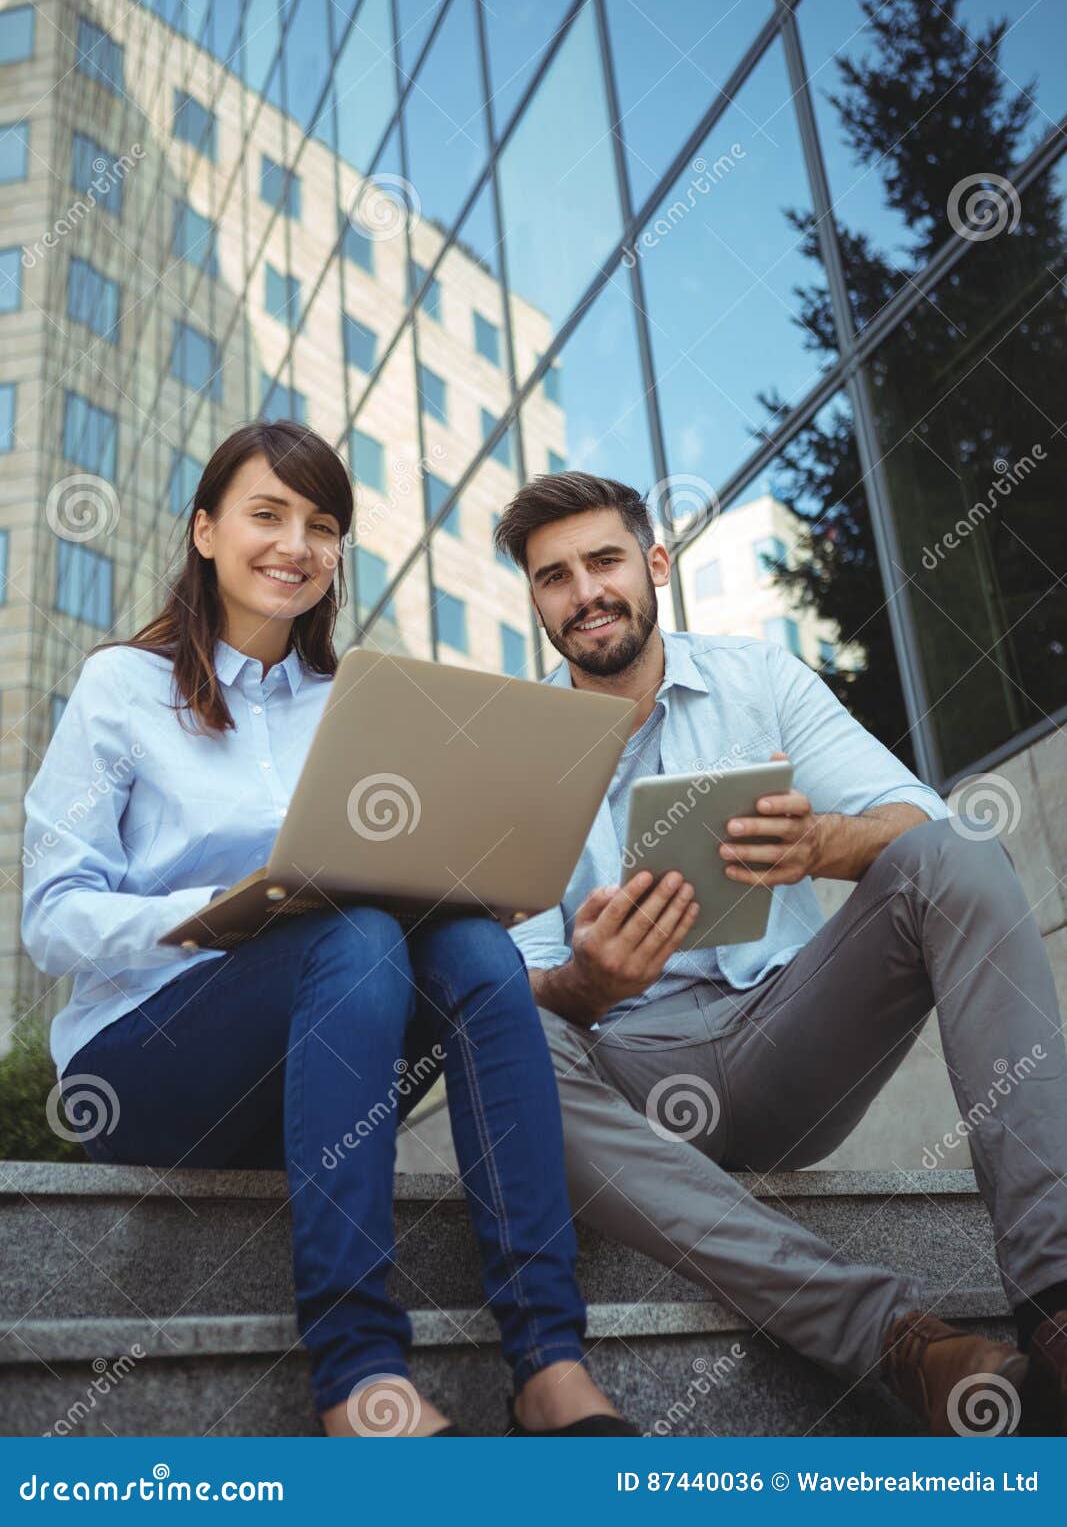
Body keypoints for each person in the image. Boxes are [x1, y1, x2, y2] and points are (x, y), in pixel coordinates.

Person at [21, 422, 639, 1439]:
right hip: (143, 1068)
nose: (295, 545)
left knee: (476, 950)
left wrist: (461, 882)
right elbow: (52, 917)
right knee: (347, 931)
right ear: (205, 530)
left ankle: (548, 1358)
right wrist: (226, 915)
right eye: (267, 515)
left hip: (324, 1064)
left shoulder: (359, 704)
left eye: (322, 525)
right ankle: (356, 1373)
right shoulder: (121, 689)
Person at [495, 471, 1067, 1438]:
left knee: (957, 855)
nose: (584, 592)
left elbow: (921, 823)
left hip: (788, 1038)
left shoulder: (755, 677)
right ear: (537, 602)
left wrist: (824, 847)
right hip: (631, 1075)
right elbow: (522, 976)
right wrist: (586, 983)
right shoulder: (514, 755)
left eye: (603, 561)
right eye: (554, 577)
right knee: (503, 1029)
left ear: (655, 565)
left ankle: (1053, 1303)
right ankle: (905, 1344)